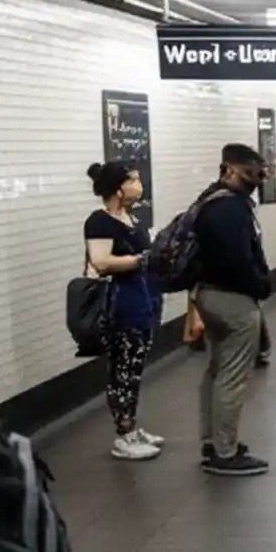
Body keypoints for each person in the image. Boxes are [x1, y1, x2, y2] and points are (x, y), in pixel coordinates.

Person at [194, 144, 272, 477]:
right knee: (233, 375)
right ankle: (224, 452)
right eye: (251, 172)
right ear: (229, 169)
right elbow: (238, 261)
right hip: (233, 300)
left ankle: (213, 441)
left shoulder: (209, 201)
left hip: (209, 296)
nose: (256, 179)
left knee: (216, 370)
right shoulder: (230, 209)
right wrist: (261, 285)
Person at [83, 161, 164, 461]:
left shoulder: (132, 218)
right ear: (118, 188)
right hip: (121, 306)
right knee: (123, 370)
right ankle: (123, 434)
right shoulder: (100, 221)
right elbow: (101, 262)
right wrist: (141, 259)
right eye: (134, 180)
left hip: (143, 302)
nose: (139, 185)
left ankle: (132, 426)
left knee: (135, 369)